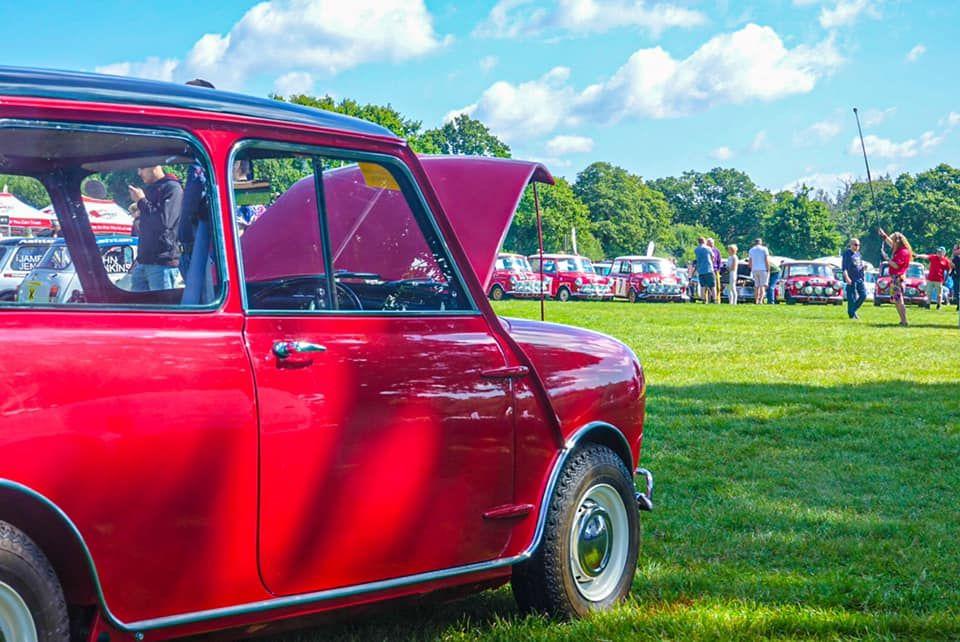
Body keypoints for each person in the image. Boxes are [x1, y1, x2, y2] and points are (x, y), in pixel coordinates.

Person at [129, 165, 183, 292]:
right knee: (138, 309)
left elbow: (165, 222)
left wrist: (141, 201)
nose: (138, 172)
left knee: (162, 309)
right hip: (143, 262)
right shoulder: (149, 190)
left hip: (162, 264)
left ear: (154, 166)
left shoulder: (173, 188)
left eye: (141, 168)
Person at [878, 227, 912, 326]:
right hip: (895, 278)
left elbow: (896, 265)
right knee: (896, 300)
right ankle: (902, 320)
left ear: (897, 241)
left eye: (893, 240)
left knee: (899, 300)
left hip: (898, 278)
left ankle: (904, 320)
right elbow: (890, 243)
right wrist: (883, 235)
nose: (891, 243)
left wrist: (886, 258)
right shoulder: (899, 249)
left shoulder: (903, 252)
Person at [842, 238, 867, 319]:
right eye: (855, 245)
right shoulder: (847, 254)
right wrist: (847, 277)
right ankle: (852, 314)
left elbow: (858, 266)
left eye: (858, 245)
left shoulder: (858, 254)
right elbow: (844, 267)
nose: (857, 246)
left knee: (863, 295)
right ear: (851, 245)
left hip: (859, 278)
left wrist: (863, 268)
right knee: (852, 298)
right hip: (851, 279)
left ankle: (852, 311)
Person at [748, 238, 770, 304]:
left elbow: (750, 262)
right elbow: (766, 260)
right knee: (762, 286)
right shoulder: (764, 249)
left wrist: (751, 268)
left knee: (756, 286)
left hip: (755, 269)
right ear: (761, 242)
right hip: (763, 269)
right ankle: (761, 300)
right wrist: (768, 268)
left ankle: (756, 300)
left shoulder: (751, 250)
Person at [694, 237, 715, 303]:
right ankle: (714, 299)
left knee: (702, 286)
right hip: (709, 269)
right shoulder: (708, 248)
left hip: (700, 270)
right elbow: (713, 257)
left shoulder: (696, 249)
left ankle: (703, 299)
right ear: (704, 241)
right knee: (712, 285)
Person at [707, 238, 722, 305]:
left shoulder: (716, 251)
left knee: (718, 286)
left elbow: (719, 260)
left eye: (712, 243)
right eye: (709, 243)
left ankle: (717, 300)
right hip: (708, 270)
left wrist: (718, 268)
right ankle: (708, 300)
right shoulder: (706, 250)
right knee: (707, 286)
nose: (711, 244)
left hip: (715, 270)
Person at [952, 244, 960, 311]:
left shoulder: (957, 258)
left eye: (955, 249)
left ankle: (958, 306)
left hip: (958, 277)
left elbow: (954, 266)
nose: (953, 251)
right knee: (956, 292)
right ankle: (958, 305)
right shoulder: (955, 257)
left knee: (957, 292)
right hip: (956, 277)